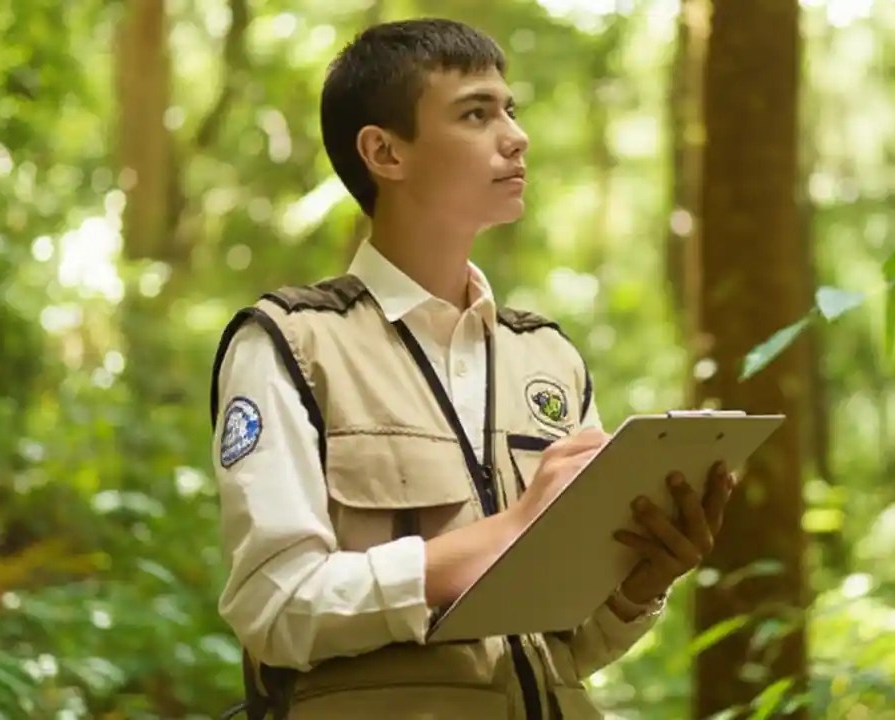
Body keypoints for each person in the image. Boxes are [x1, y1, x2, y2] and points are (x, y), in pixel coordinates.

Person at [208, 17, 736, 720]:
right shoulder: (292, 345)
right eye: (476, 113)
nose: (515, 136)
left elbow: (569, 650)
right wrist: (509, 529)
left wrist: (643, 579)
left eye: (511, 110)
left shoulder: (546, 357)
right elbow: (276, 608)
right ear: (385, 152)